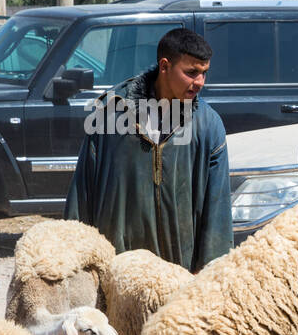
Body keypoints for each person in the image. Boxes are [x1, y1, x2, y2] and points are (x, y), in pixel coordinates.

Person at [64, 27, 232, 271]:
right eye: (191, 73)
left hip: (178, 278)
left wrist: (210, 280)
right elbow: (82, 195)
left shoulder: (208, 125)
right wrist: (75, 265)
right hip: (117, 275)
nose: (200, 83)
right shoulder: (112, 113)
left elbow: (218, 215)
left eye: (204, 74)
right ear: (164, 66)